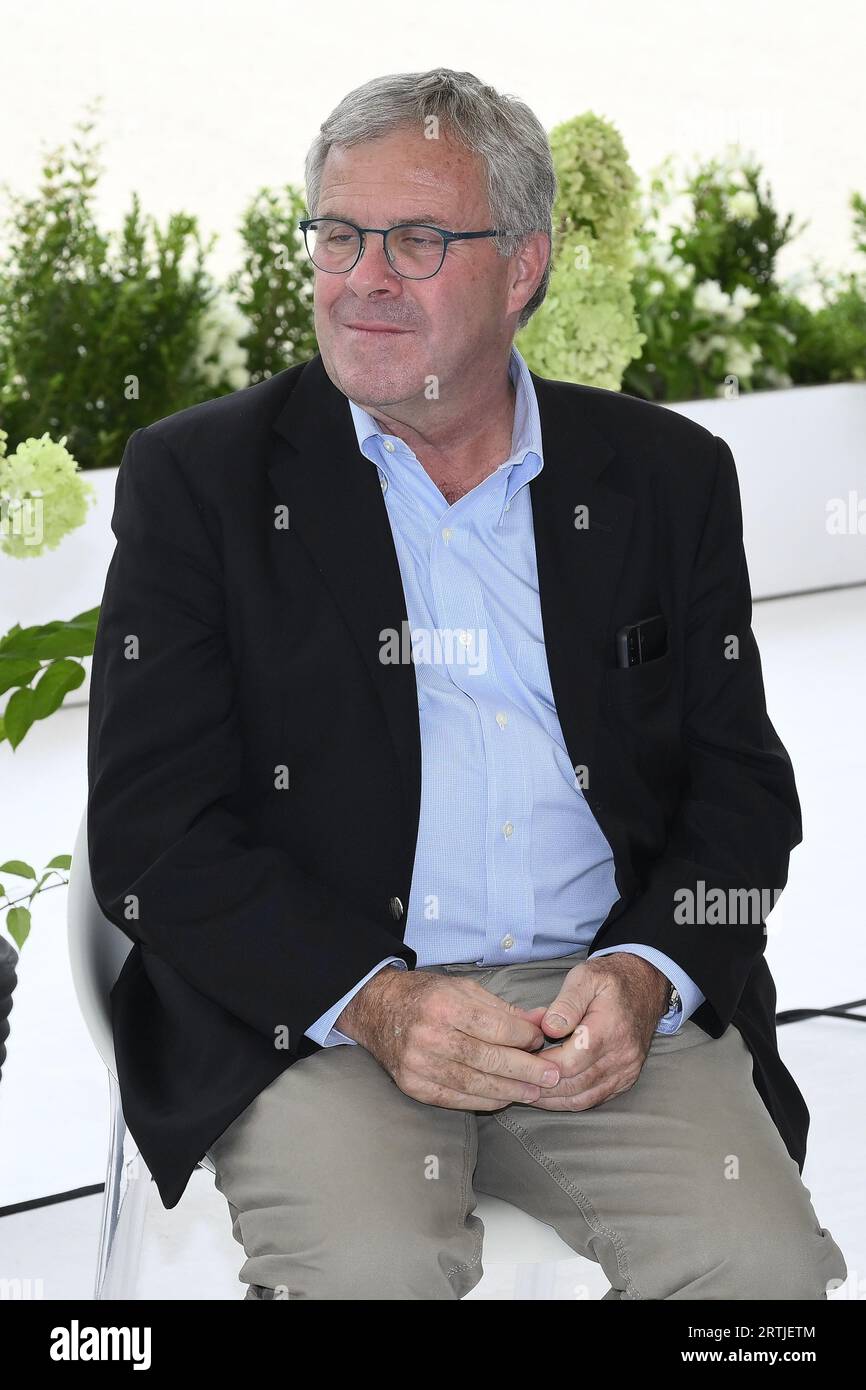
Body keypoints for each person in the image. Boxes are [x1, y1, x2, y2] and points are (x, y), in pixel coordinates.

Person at [87, 67, 847, 1299]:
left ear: (523, 267)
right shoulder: (201, 482)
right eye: (338, 235)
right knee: (369, 1274)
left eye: (416, 240)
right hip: (322, 1008)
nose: (362, 278)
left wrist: (646, 971)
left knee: (758, 1279)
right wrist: (375, 1001)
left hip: (597, 1007)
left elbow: (741, 794)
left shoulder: (665, 476)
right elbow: (150, 828)